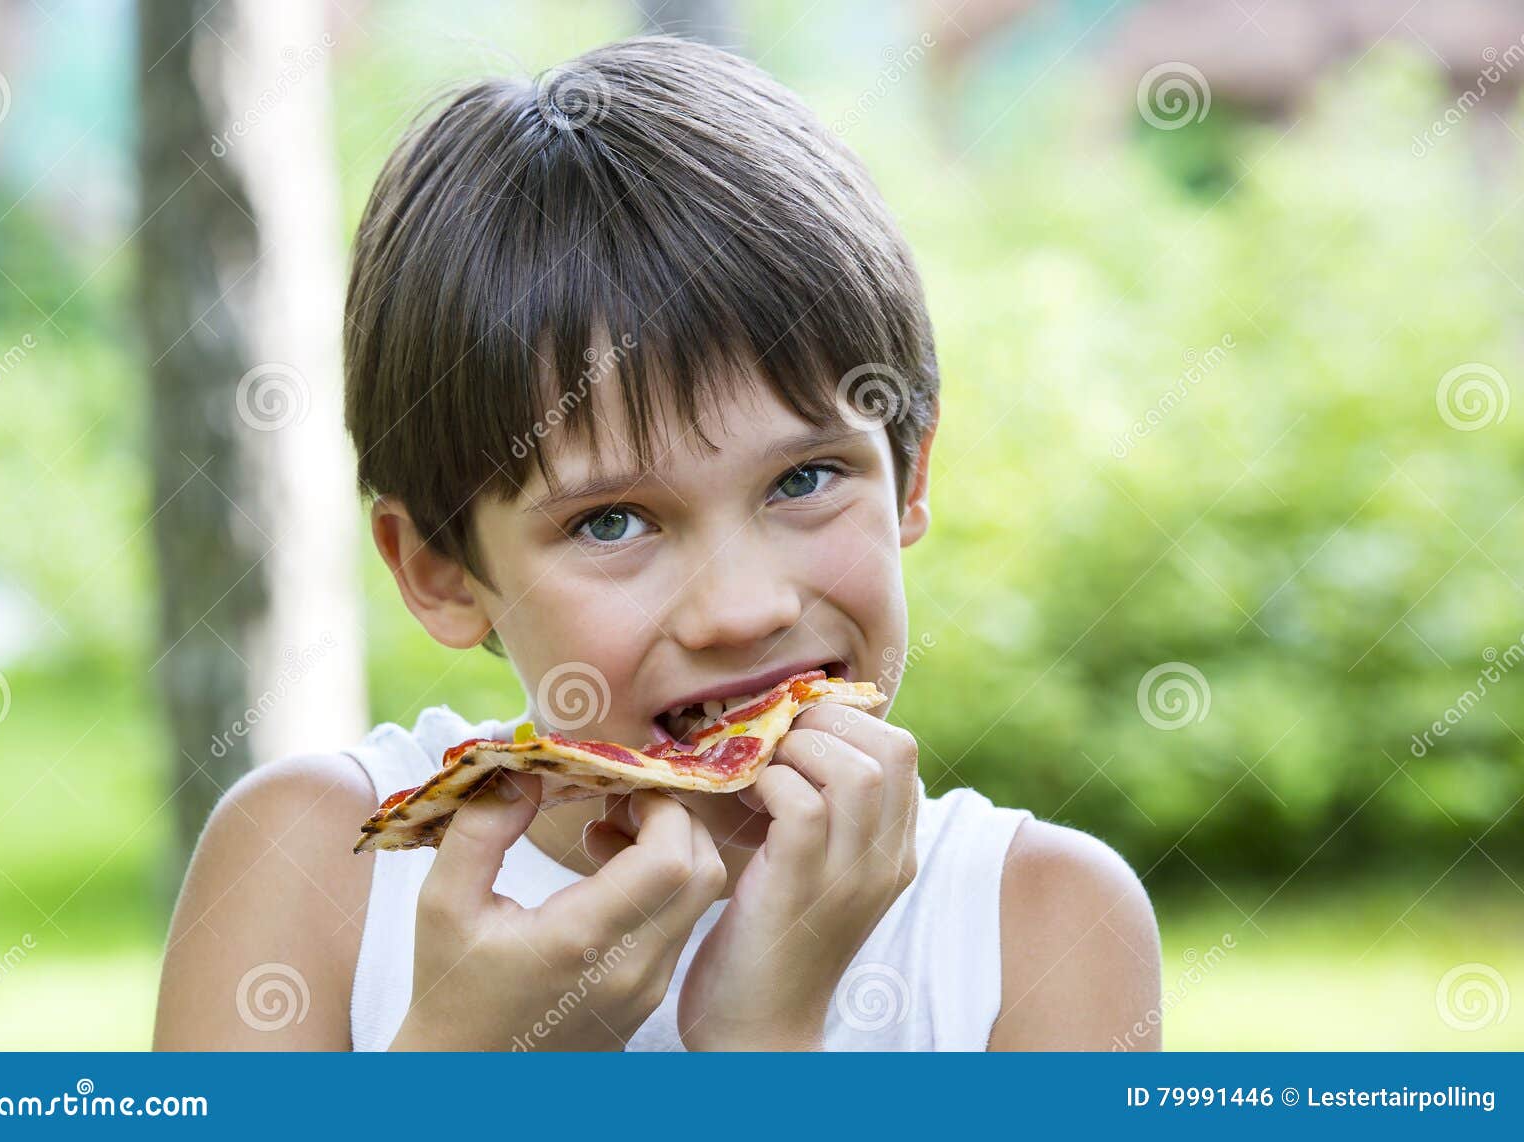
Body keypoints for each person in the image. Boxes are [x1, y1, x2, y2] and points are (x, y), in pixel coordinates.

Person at [154, 35, 1160, 1051]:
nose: (743, 606)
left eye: (803, 478)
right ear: (440, 571)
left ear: (910, 472)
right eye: (611, 521)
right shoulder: (311, 867)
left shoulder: (1041, 925)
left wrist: (763, 1037)